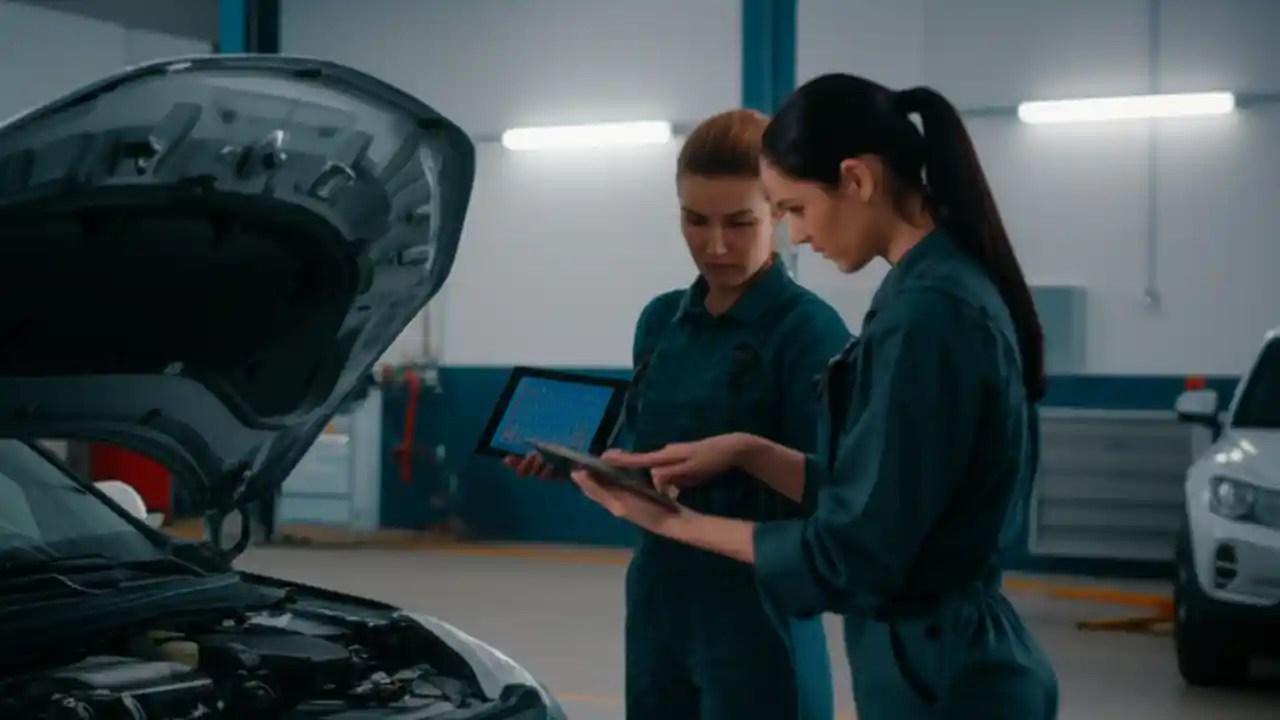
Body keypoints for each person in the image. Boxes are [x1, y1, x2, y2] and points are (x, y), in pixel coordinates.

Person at [569, 74, 1061, 720]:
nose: (796, 236)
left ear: (855, 181)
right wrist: (746, 450)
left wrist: (675, 522)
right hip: (928, 657)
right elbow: (881, 491)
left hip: (940, 667)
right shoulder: (929, 296)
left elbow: (850, 547)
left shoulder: (926, 317)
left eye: (793, 209)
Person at [506, 108, 851, 720]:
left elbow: (834, 492)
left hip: (757, 607)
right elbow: (646, 452)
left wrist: (746, 454)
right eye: (695, 221)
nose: (714, 245)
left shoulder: (809, 332)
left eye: (739, 223)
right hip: (659, 598)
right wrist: (584, 467)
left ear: (778, 211)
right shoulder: (660, 322)